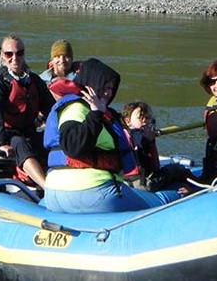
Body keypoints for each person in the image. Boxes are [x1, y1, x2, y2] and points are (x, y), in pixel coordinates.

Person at [42, 58, 175, 214]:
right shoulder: (76, 108)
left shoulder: (97, 113)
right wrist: (95, 114)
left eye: (111, 88)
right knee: (168, 198)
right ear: (91, 85)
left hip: (55, 194)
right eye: (104, 87)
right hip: (92, 192)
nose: (108, 93)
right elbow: (73, 148)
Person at [0, 35, 55, 189]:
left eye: (19, 53)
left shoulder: (34, 81)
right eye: (9, 54)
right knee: (19, 143)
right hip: (2, 136)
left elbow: (52, 110)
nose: (14, 58)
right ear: (3, 55)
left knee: (50, 140)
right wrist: (0, 143)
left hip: (27, 131)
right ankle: (46, 186)